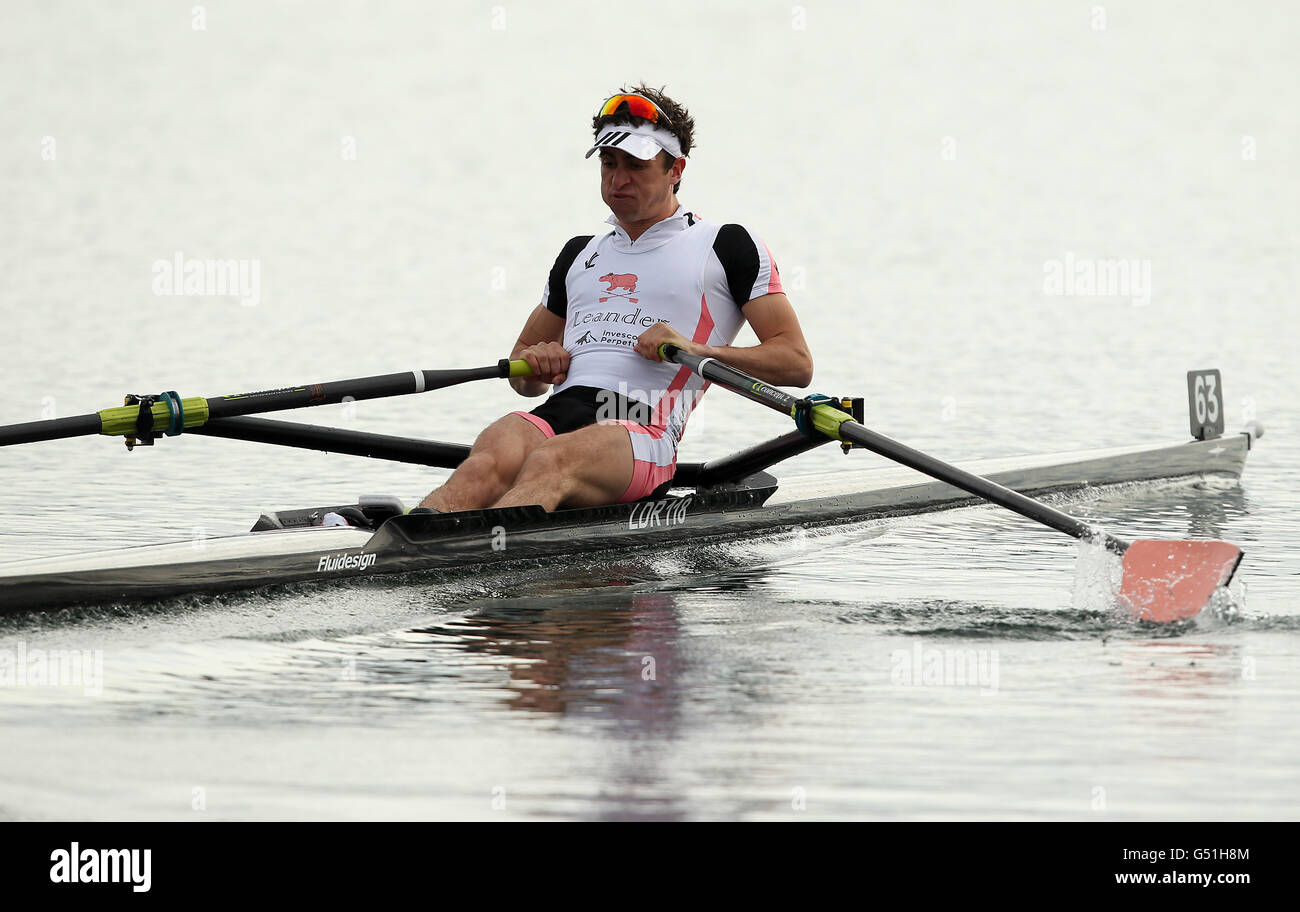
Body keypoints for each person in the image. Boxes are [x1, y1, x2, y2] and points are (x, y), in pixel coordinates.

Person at [419, 85, 812, 513]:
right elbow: (524, 380)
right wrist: (538, 361)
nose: (617, 179)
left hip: (644, 425)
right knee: (488, 460)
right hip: (560, 410)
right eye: (608, 163)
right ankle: (404, 545)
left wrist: (694, 349)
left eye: (636, 166)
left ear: (675, 169)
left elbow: (796, 362)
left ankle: (484, 556)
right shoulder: (579, 253)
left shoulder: (725, 245)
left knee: (552, 461)